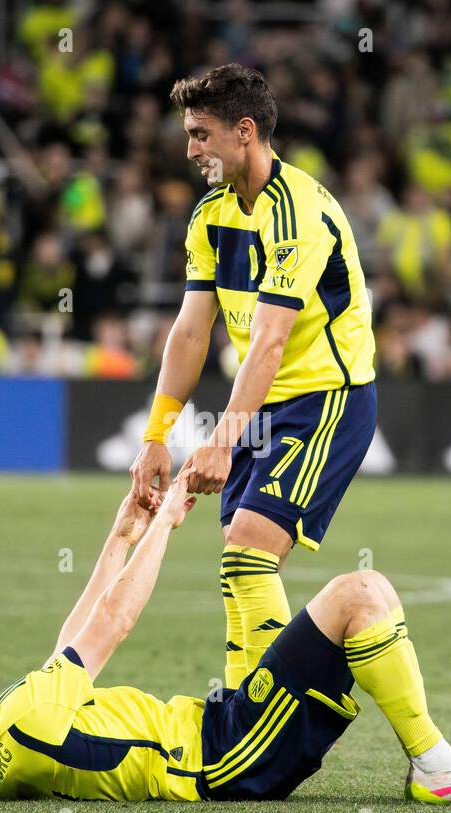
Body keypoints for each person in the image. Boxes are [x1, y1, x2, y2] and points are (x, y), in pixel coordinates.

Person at [0, 470, 451, 806]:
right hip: (229, 753)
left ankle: (434, 768)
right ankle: (437, 770)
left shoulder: (8, 738)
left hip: (221, 724)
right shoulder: (20, 729)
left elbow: (72, 638)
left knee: (247, 557)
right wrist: (166, 522)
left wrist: (120, 532)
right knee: (361, 594)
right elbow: (111, 625)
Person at [130, 64, 378, 693]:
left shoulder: (299, 214)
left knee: (247, 547)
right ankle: (243, 700)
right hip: (265, 406)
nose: (190, 150)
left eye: (200, 134)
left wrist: (220, 441)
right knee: (240, 565)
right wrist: (156, 435)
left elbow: (268, 344)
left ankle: (271, 710)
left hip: (327, 398)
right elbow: (190, 334)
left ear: (244, 132)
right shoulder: (211, 216)